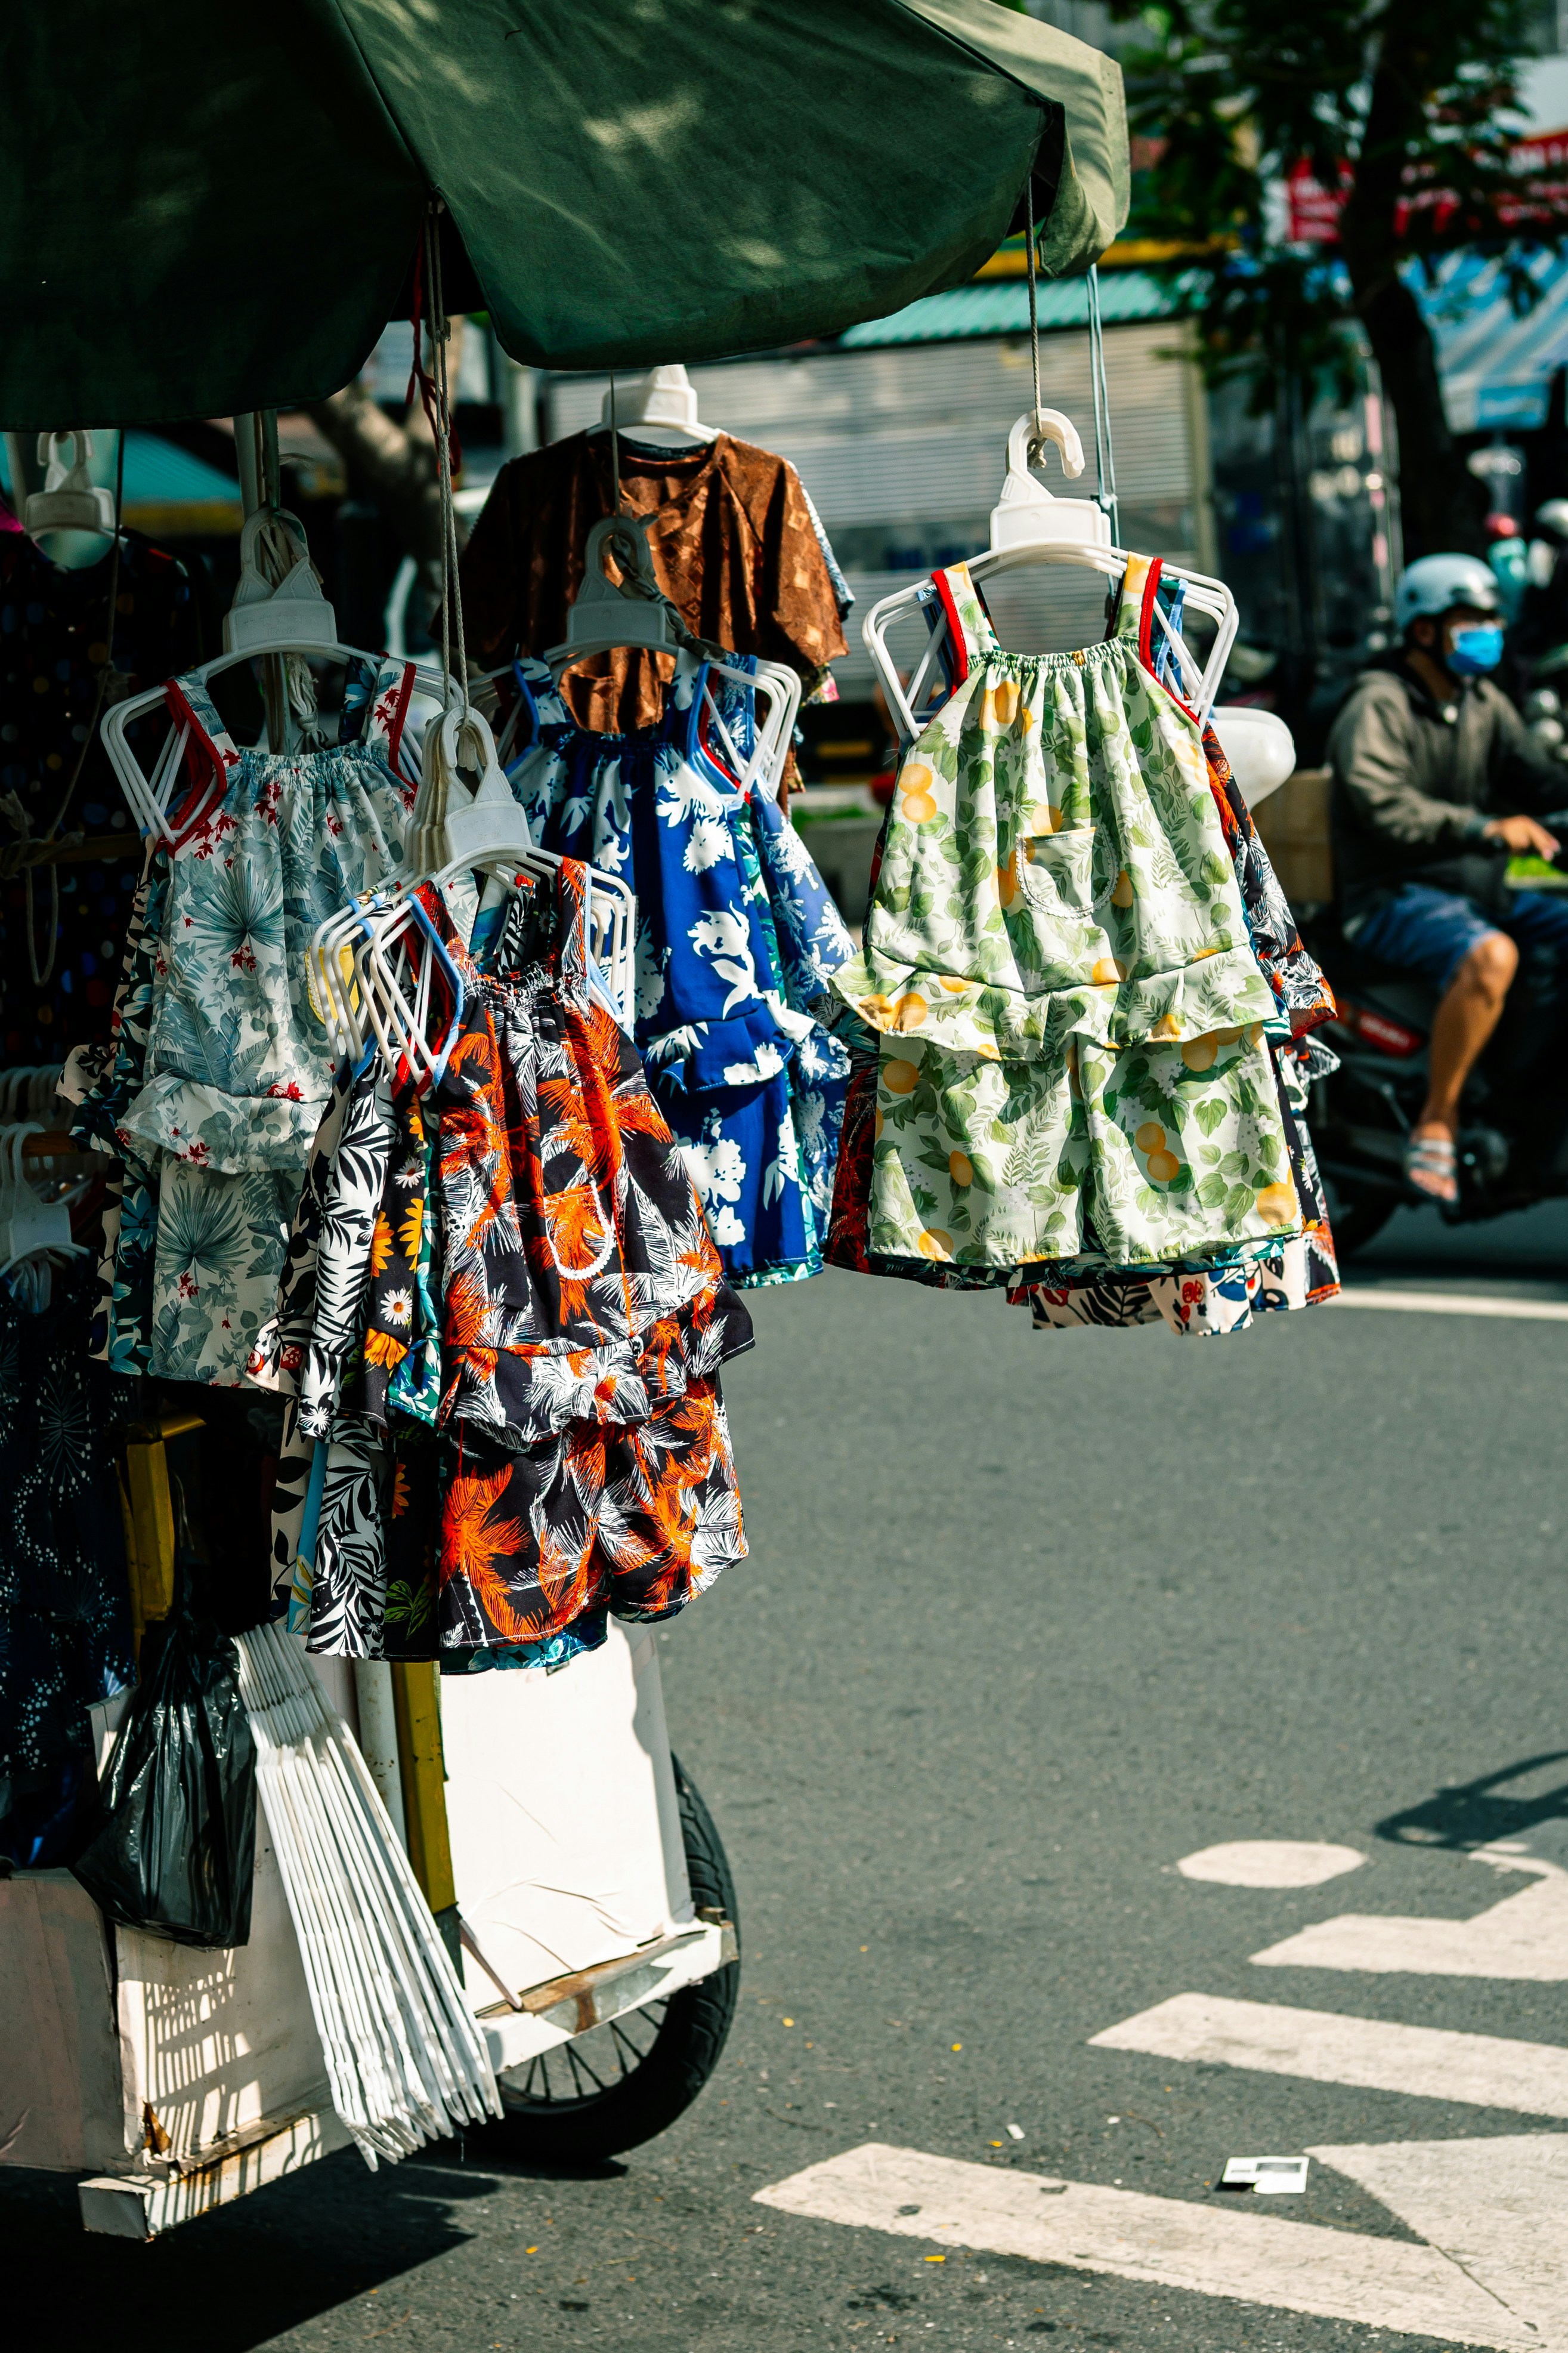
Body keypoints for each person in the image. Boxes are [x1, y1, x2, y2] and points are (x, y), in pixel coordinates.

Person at [1326, 552, 1568, 1204]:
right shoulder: (1378, 703)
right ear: (1425, 630)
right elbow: (1382, 805)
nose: (1487, 629)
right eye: (1470, 619)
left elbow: (1540, 779)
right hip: (1388, 894)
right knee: (1491, 956)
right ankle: (1437, 1117)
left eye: (1492, 617)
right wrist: (1483, 828)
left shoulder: (1481, 701)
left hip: (1470, 883)